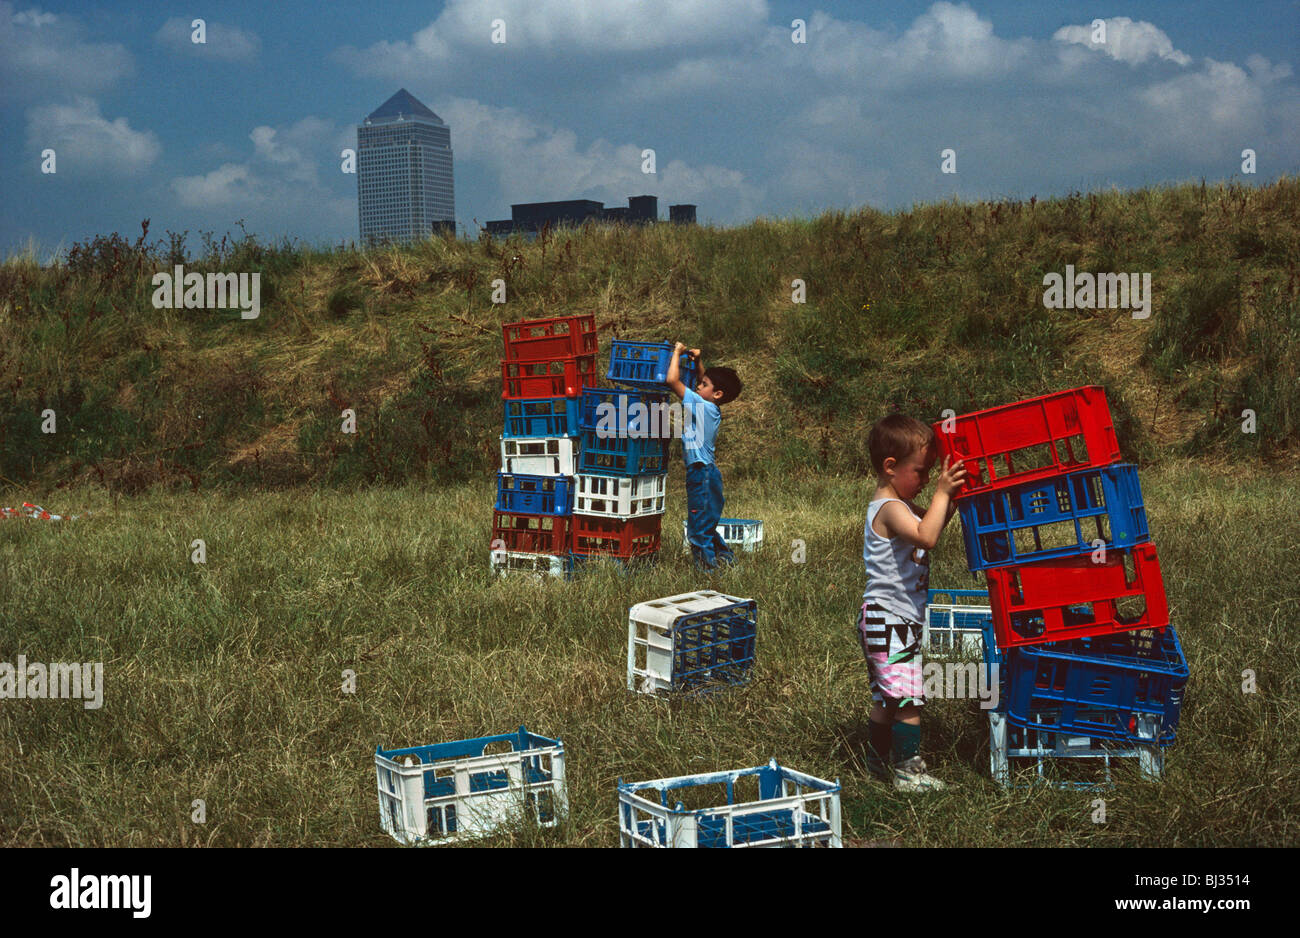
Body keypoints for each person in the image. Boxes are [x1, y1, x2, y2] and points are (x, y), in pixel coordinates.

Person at [858, 414, 967, 791]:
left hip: (890, 619)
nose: (924, 482)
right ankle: (907, 774)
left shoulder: (900, 505)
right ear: (891, 467)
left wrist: (950, 497)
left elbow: (933, 524)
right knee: (909, 702)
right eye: (920, 472)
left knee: (888, 700)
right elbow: (927, 537)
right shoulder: (889, 509)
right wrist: (941, 493)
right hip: (889, 619)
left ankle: (875, 768)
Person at [666, 343, 742, 571]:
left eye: (703, 384)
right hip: (706, 474)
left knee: (698, 530)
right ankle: (728, 563)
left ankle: (707, 572)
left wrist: (676, 353)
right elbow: (706, 382)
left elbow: (672, 381)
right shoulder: (709, 405)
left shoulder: (702, 405)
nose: (698, 386)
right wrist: (699, 362)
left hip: (701, 474)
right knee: (705, 526)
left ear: (717, 394)